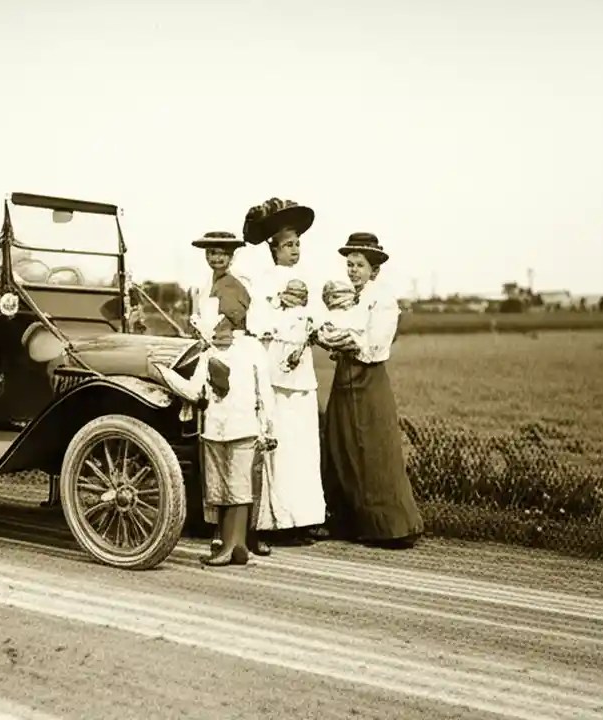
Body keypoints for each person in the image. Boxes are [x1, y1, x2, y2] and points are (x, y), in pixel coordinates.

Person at [153, 230, 276, 566]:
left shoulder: (243, 346)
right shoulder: (212, 346)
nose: (216, 259)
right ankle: (230, 543)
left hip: (239, 424)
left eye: (222, 254)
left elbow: (261, 390)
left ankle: (233, 543)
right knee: (221, 482)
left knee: (235, 481)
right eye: (212, 254)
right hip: (219, 424)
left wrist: (267, 427)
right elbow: (198, 387)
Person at [316, 232, 424, 549]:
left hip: (368, 377)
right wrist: (331, 337)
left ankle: (391, 527)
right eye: (350, 265)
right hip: (345, 376)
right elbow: (336, 332)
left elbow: (376, 346)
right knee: (341, 442)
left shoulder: (383, 300)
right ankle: (348, 521)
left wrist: (343, 340)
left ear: (374, 270)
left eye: (359, 266)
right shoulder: (352, 298)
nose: (353, 271)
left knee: (373, 448)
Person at [240, 198, 328, 546]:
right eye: (288, 245)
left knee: (303, 446)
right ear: (273, 248)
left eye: (298, 244)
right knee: (281, 445)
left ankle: (304, 519)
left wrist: (312, 326)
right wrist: (279, 306)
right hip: (276, 368)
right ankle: (276, 520)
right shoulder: (263, 282)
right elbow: (256, 323)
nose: (294, 251)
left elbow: (319, 320)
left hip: (301, 370)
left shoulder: (307, 280)